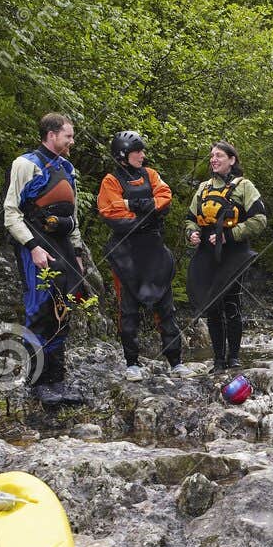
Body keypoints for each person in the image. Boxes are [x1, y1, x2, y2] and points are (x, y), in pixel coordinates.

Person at [2, 112, 93, 405]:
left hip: (63, 244)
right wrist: (32, 247)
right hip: (35, 244)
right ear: (51, 135)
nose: (72, 141)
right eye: (68, 135)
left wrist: (77, 254)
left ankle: (57, 381)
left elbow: (73, 217)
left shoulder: (68, 167)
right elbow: (11, 213)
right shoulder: (26, 164)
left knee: (62, 308)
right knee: (40, 310)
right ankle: (38, 384)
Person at [97, 131, 187, 382]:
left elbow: (164, 199)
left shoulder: (151, 175)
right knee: (128, 309)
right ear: (123, 155)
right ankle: (132, 363)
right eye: (138, 151)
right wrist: (146, 212)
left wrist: (133, 205)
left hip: (154, 249)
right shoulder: (110, 181)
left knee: (166, 307)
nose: (142, 155)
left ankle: (176, 361)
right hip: (126, 253)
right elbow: (112, 213)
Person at [186, 141, 268, 374]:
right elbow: (190, 218)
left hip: (233, 253)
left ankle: (233, 358)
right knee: (212, 306)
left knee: (231, 304)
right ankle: (218, 360)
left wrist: (229, 235)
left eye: (219, 155)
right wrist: (191, 233)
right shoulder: (202, 188)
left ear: (232, 160)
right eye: (211, 156)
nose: (213, 159)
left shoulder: (244, 187)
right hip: (207, 254)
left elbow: (260, 219)